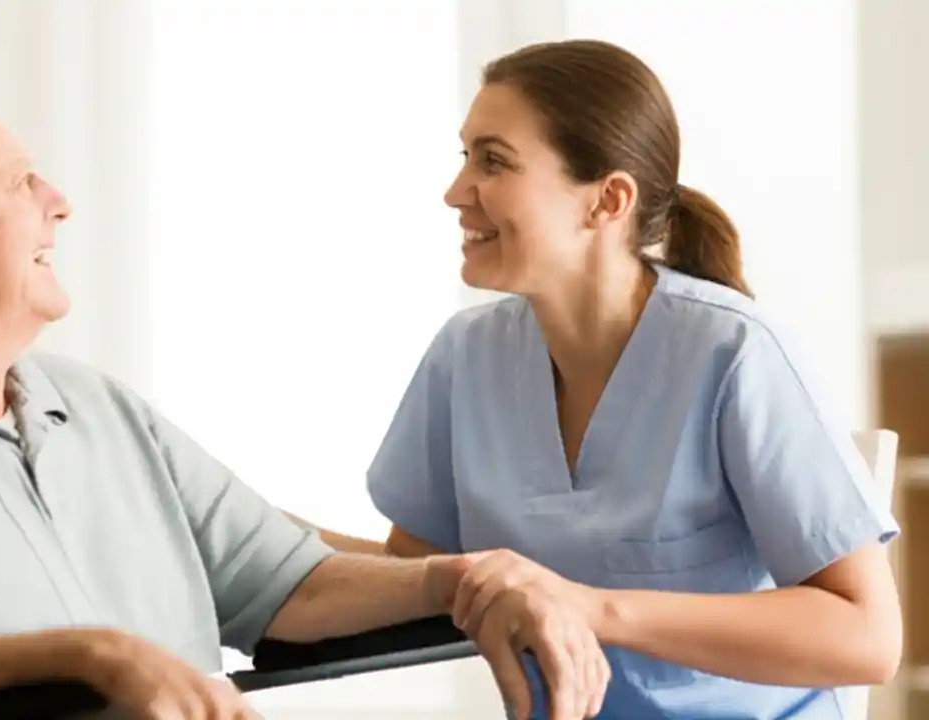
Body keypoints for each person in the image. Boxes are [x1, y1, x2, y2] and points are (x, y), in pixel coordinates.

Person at [0, 89, 476, 720]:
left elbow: (289, 583)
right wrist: (90, 655)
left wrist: (472, 581)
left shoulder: (94, 405)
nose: (59, 204)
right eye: (18, 182)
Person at [305, 39, 903, 720]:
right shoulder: (465, 359)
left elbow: (869, 637)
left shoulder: (734, 353)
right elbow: (418, 580)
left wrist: (591, 607)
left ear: (606, 201)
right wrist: (235, 533)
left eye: (493, 161)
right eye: (464, 155)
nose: (456, 192)